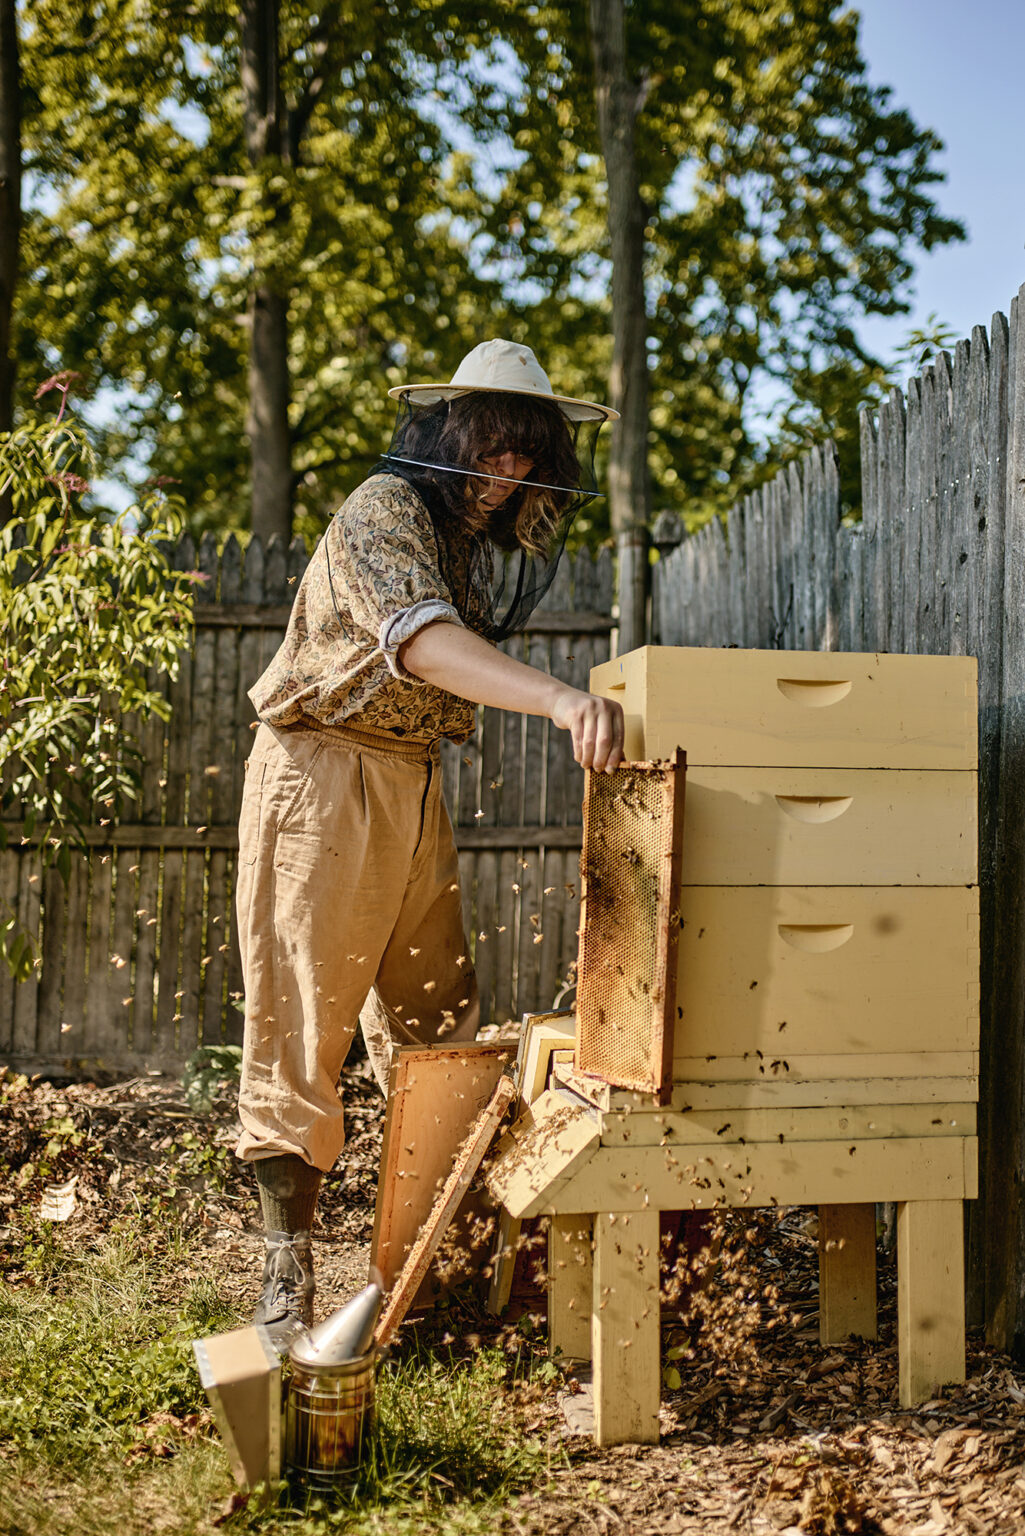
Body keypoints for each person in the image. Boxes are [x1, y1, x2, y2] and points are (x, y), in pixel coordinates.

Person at [235, 338, 624, 1349]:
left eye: (524, 456)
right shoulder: (380, 508)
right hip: (320, 774)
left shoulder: (458, 539)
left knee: (437, 1023)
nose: (504, 474)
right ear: (446, 431)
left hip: (409, 782)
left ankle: (423, 1267)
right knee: (302, 1028)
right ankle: (286, 1286)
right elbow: (415, 639)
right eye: (491, 447)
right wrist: (555, 699)